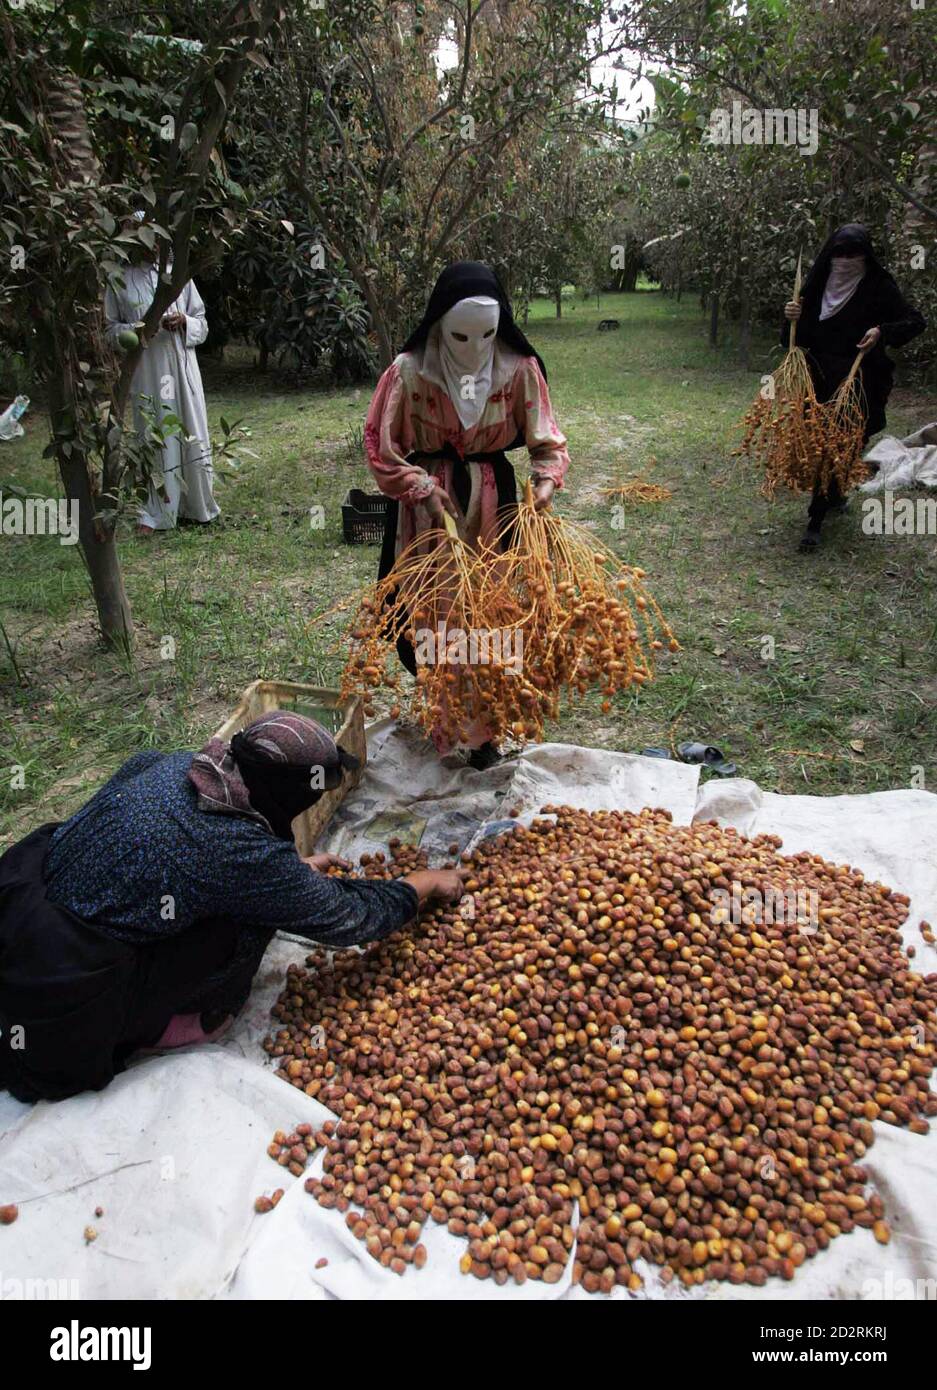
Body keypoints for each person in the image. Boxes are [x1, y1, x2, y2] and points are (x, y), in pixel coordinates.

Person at [0, 713, 463, 1103]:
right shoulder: (239, 854)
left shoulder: (177, 765)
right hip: (67, 984)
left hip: (24, 909)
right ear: (286, 795)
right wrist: (419, 884)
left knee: (242, 895)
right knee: (245, 926)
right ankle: (165, 1023)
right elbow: (349, 919)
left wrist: (288, 870)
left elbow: (172, 855)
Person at [364, 260, 570, 767]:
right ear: (438, 323)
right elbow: (381, 447)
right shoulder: (410, 371)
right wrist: (420, 487)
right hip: (431, 511)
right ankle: (446, 720)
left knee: (493, 610)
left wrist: (545, 482)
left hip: (492, 505)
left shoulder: (519, 369)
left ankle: (485, 733)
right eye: (461, 335)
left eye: (487, 335)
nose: (476, 349)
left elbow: (547, 440)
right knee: (440, 614)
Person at [783, 223, 925, 550]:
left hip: (859, 381)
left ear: (866, 257)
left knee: (845, 444)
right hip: (817, 379)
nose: (846, 261)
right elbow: (795, 340)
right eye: (840, 255)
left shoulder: (879, 286)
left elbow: (914, 321)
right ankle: (821, 510)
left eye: (854, 255)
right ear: (831, 256)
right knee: (824, 445)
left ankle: (825, 506)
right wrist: (791, 317)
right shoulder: (815, 288)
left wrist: (881, 332)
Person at [105, 215, 220, 536]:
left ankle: (197, 506)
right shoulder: (120, 279)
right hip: (148, 372)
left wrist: (184, 321)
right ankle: (155, 512)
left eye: (154, 238)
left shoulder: (178, 277)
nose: (149, 244)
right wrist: (137, 330)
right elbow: (110, 330)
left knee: (191, 433)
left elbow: (202, 321)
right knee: (155, 435)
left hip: (183, 370)